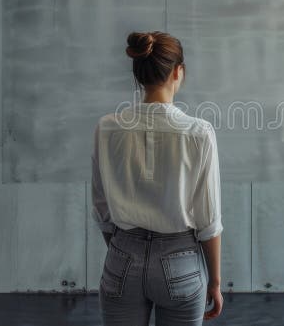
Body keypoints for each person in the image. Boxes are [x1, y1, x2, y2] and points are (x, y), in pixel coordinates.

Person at [91, 31, 224, 325]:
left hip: (122, 255)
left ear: (137, 74)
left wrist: (125, 251)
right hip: (182, 260)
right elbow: (208, 221)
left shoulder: (107, 128)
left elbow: (101, 209)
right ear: (179, 72)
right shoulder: (199, 132)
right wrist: (215, 282)